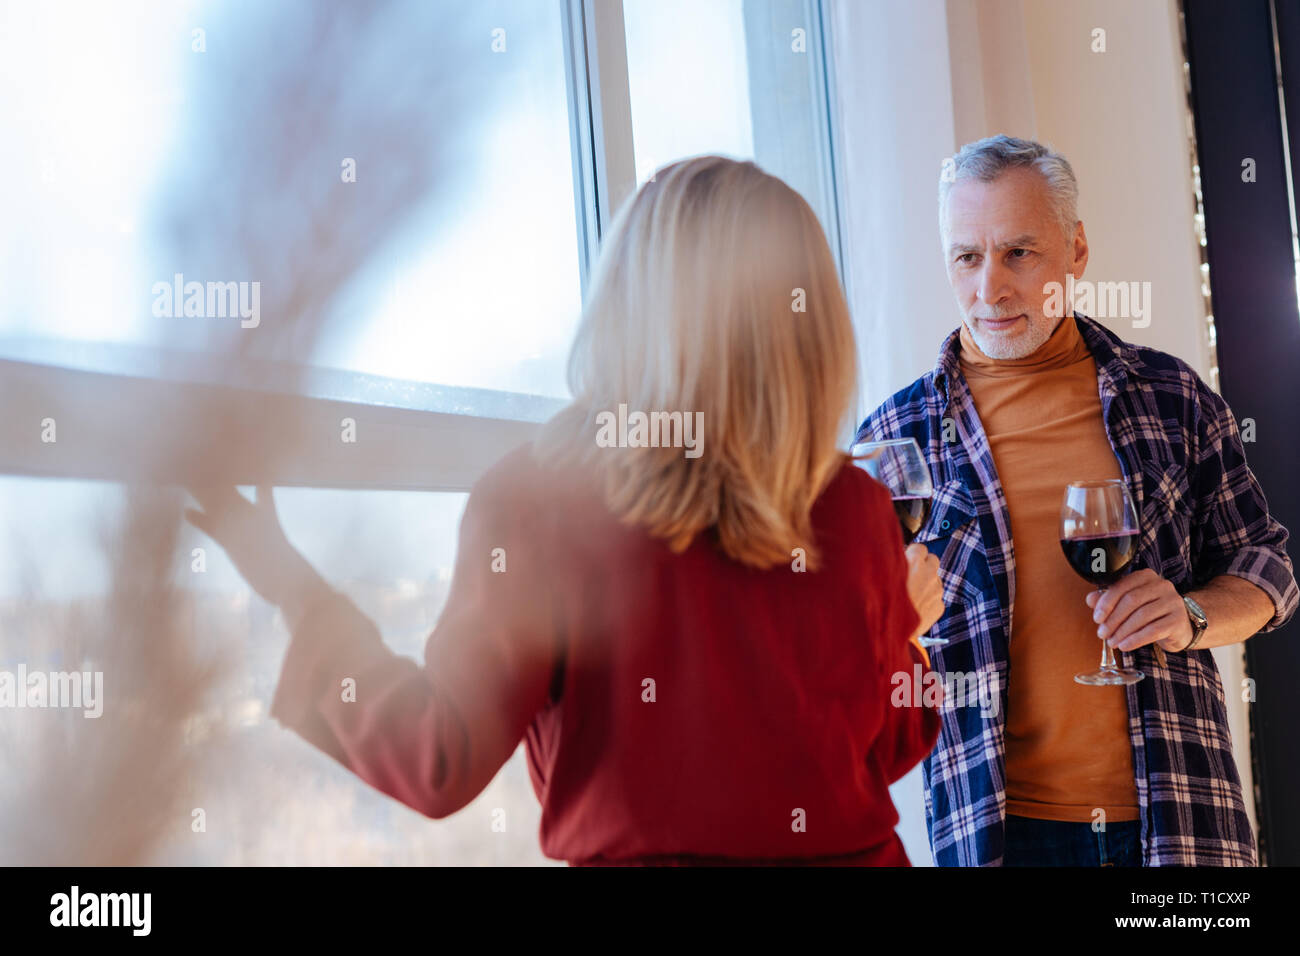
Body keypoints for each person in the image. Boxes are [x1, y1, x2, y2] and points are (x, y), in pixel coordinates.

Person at [186, 156, 946, 865]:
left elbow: (437, 757)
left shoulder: (539, 503)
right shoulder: (856, 508)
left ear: (628, 305)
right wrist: (907, 639)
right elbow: (884, 746)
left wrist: (291, 584)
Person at [858, 134, 1299, 867]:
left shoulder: (1171, 396)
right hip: (996, 832)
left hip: (1181, 821)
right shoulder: (895, 439)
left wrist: (1189, 616)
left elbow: (1270, 571)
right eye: (966, 257)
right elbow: (848, 649)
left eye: (1019, 254)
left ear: (1076, 251)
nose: (990, 288)